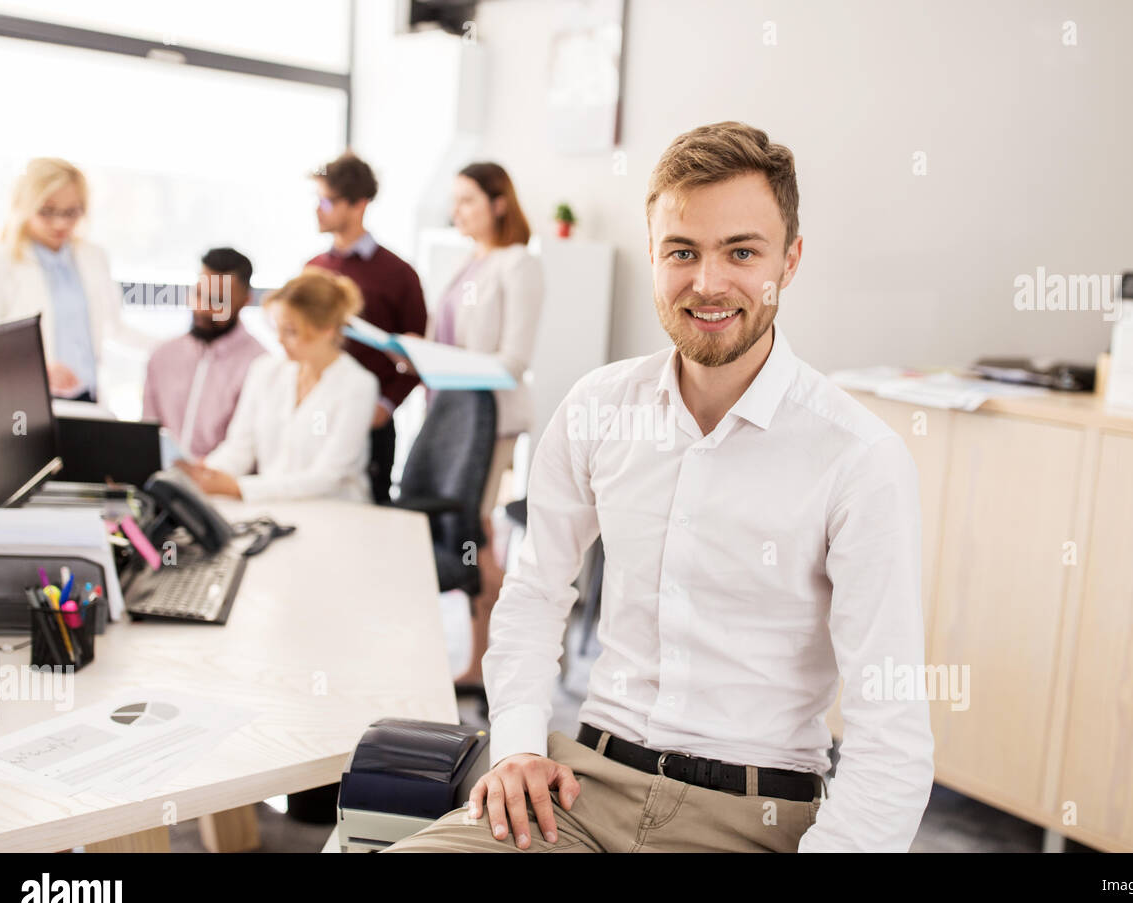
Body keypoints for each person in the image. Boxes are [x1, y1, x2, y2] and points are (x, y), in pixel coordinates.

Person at [385, 121, 935, 853]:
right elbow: (534, 591)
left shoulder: (859, 457)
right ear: (652, 254)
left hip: (752, 818)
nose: (708, 283)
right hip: (578, 790)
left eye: (742, 251)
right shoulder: (596, 407)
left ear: (790, 261)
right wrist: (517, 742)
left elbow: (891, 736)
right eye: (682, 251)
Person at [433, 162, 544, 688]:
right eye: (454, 202)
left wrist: (445, 365)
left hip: (491, 425)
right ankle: (481, 663)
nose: (457, 212)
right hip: (453, 422)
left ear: (499, 203)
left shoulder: (518, 263)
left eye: (468, 201)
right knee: (466, 538)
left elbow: (513, 359)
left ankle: (492, 666)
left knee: (479, 538)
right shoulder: (467, 263)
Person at [180, 268, 377, 503]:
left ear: (327, 330)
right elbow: (240, 447)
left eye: (291, 331)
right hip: (273, 508)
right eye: (278, 328)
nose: (279, 339)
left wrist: (239, 488)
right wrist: (209, 472)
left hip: (335, 511)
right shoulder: (265, 371)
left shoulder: (357, 386)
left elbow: (328, 477)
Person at [306, 151, 428, 505]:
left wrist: (386, 405)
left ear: (358, 204)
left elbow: (416, 357)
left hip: (370, 426)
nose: (318, 209)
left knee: (368, 517)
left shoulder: (399, 274)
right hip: (318, 416)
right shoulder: (312, 269)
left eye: (326, 201)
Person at [0, 157, 122, 402]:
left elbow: (116, 327)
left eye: (71, 212)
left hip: (87, 398)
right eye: (47, 211)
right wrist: (39, 369)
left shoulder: (93, 257)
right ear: (24, 206)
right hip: (25, 400)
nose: (60, 223)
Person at [142, 248, 266, 459]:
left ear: (246, 300)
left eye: (217, 301)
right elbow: (145, 436)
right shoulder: (163, 356)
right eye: (198, 294)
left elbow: (253, 450)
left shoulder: (261, 365)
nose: (201, 308)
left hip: (225, 486)